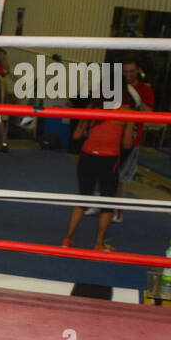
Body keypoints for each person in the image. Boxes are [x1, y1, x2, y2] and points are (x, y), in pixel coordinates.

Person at [61, 100, 135, 250]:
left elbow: (76, 135)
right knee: (107, 203)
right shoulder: (127, 111)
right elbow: (127, 144)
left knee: (83, 198)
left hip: (87, 156)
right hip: (109, 159)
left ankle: (67, 240)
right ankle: (99, 244)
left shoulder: (92, 107)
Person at [113, 57, 154, 223]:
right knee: (104, 172)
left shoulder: (145, 89)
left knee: (124, 177)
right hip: (113, 136)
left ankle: (118, 210)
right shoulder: (115, 86)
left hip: (133, 139)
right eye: (125, 71)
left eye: (131, 71)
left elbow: (150, 113)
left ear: (138, 70)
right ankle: (98, 202)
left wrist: (138, 101)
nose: (128, 74)